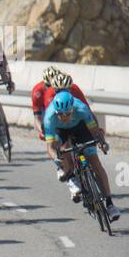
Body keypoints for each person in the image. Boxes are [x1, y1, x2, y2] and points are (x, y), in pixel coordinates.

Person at [43, 90, 120, 221]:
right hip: (60, 131)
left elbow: (95, 131)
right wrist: (57, 159)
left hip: (80, 127)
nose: (64, 117)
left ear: (73, 109)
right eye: (60, 114)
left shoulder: (81, 108)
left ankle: (109, 203)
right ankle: (71, 177)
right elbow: (50, 148)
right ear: (56, 112)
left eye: (67, 113)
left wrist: (101, 142)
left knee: (95, 163)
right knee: (61, 152)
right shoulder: (49, 118)